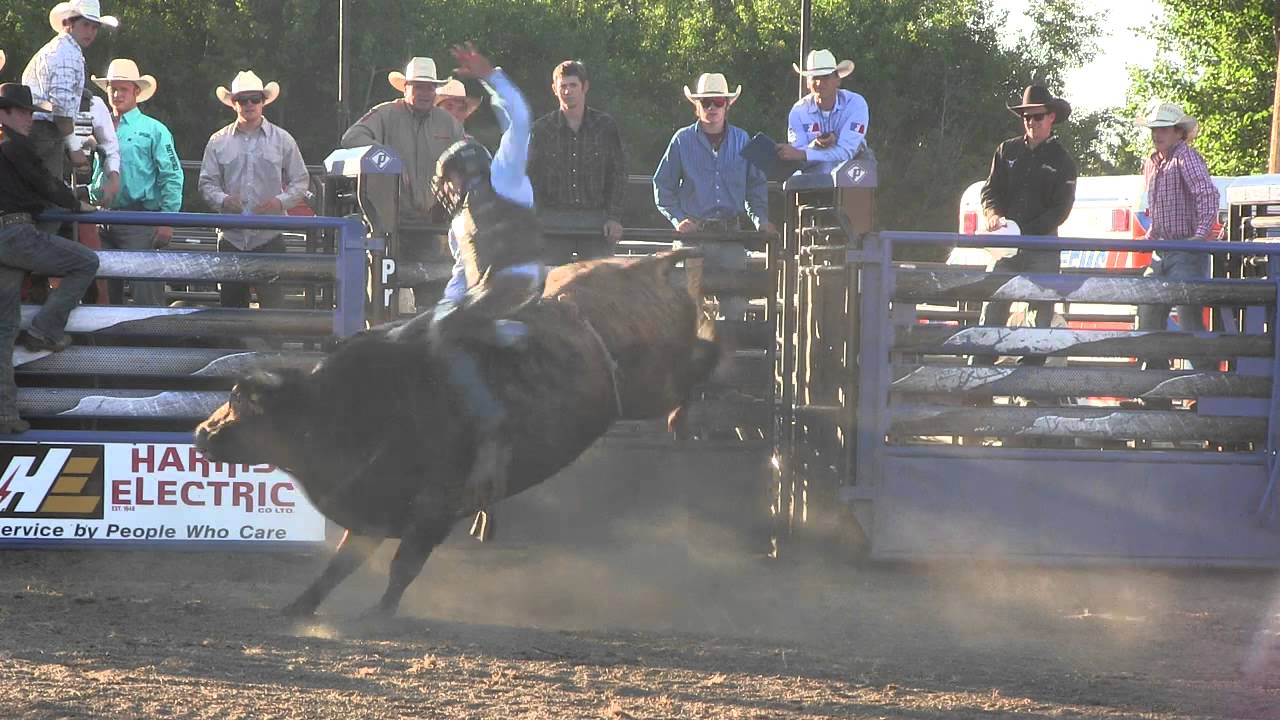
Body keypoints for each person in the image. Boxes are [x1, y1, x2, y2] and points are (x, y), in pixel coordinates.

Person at [391, 42, 542, 540]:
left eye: (451, 183)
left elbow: (519, 120)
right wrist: (433, 318)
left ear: (467, 173)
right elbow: (460, 277)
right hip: (484, 294)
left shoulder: (506, 176)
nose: (448, 192)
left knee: (451, 328)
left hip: (517, 283)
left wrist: (491, 75)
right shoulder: (460, 223)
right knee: (434, 330)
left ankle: (498, 394)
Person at [0, 83, 100, 433]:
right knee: (85, 262)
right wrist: (74, 204)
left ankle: (6, 413)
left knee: (4, 328)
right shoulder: (14, 146)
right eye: (23, 111)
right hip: (13, 233)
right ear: (6, 113)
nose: (29, 118)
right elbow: (42, 183)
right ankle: (45, 328)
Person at [342, 57, 465, 309]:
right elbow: (352, 138)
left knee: (432, 299)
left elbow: (465, 155)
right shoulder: (385, 114)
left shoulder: (448, 123)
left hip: (432, 226)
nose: (425, 93)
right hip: (390, 224)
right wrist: (388, 159)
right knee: (382, 295)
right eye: (419, 87)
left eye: (430, 87)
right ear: (405, 88)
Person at [971, 84, 1078, 366]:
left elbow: (1060, 209)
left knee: (1039, 318)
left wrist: (1024, 234)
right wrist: (992, 214)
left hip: (1040, 247)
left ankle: (1027, 387)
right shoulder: (1007, 150)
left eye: (1037, 116)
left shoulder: (1063, 161)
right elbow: (989, 190)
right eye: (1027, 117)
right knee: (992, 309)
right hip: (1007, 246)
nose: (1031, 122)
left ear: (1051, 117)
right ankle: (978, 378)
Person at [197, 70, 308, 309]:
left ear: (263, 102)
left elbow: (301, 180)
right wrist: (224, 200)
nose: (249, 104)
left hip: (270, 235)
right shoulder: (217, 141)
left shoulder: (283, 140)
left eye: (254, 99)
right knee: (231, 308)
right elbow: (206, 183)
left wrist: (280, 202)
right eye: (242, 99)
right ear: (234, 104)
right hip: (232, 237)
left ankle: (271, 346)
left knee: (274, 308)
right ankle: (236, 347)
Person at [1134, 101, 1220, 386]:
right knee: (1148, 315)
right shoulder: (1154, 163)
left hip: (1185, 248)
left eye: (1163, 129)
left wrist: (1199, 236)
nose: (1156, 134)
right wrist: (1152, 236)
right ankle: (1159, 387)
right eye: (1154, 129)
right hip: (1165, 249)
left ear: (1178, 132)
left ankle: (1208, 387)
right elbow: (1159, 210)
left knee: (1188, 321)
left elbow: (1207, 195)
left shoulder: (1186, 158)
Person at [90, 58, 183, 306]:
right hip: (102, 218)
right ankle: (110, 341)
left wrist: (167, 220)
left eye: (123, 89)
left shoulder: (155, 130)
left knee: (145, 291)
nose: (117, 94)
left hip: (140, 219)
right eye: (113, 88)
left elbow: (172, 175)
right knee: (105, 293)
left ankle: (150, 339)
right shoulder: (100, 127)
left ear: (136, 92)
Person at [528, 60, 627, 262]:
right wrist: (534, 218)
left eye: (573, 85)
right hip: (552, 220)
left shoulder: (604, 126)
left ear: (585, 87)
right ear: (554, 89)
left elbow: (618, 173)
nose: (568, 91)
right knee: (549, 285)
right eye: (563, 86)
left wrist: (614, 217)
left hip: (596, 220)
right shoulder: (541, 129)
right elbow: (530, 177)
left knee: (600, 287)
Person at [652, 72, 774, 236]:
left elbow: (755, 186)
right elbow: (663, 184)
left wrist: (761, 222)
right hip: (692, 234)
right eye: (706, 102)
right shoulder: (681, 140)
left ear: (727, 105)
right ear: (697, 107)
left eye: (718, 101)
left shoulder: (743, 139)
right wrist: (678, 220)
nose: (712, 107)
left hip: (731, 233)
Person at [21, 0, 119, 191]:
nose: (90, 32)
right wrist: (75, 148)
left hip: (40, 131)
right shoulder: (67, 54)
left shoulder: (58, 49)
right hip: (44, 134)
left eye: (94, 27)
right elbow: (62, 110)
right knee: (49, 199)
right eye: (85, 25)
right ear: (69, 23)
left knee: (44, 195)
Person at [776, 49, 869, 170]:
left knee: (865, 161)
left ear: (838, 80)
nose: (819, 83)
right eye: (815, 78)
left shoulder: (855, 104)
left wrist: (805, 153)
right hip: (813, 170)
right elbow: (796, 157)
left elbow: (847, 153)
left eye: (825, 77)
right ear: (808, 83)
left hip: (855, 164)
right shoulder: (798, 111)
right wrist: (815, 146)